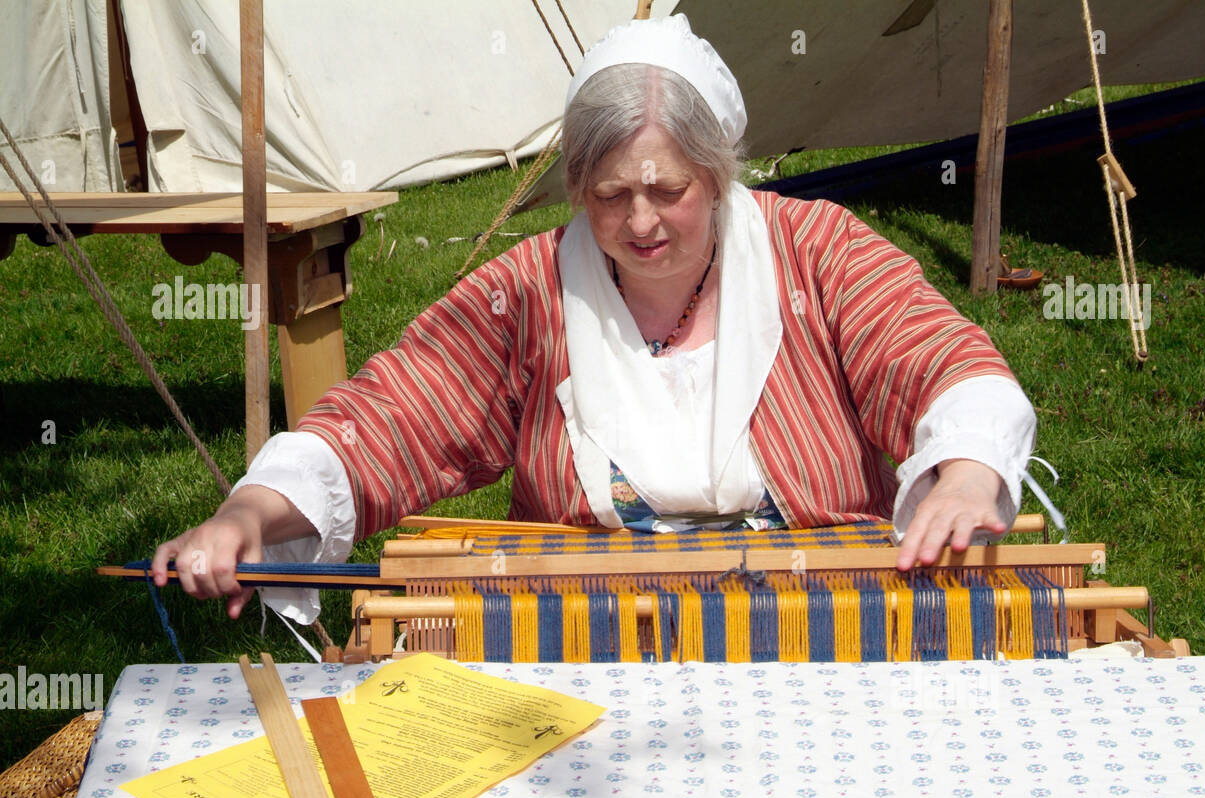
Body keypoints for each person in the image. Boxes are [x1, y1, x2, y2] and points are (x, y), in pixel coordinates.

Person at [151, 15, 1036, 624]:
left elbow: (936, 356)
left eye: (669, 190)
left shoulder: (817, 252)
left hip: (824, 627)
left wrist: (964, 476)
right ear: (577, 190)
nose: (641, 222)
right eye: (610, 195)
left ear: (720, 173)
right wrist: (250, 515)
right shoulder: (530, 292)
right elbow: (390, 417)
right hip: (585, 641)